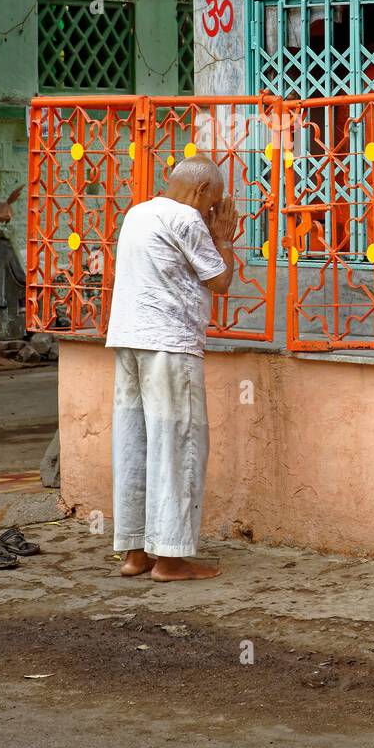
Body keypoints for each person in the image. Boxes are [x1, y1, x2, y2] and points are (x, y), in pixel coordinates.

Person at [106, 156, 237, 582]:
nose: (213, 211)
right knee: (179, 445)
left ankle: (135, 553)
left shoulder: (138, 212)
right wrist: (224, 239)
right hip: (169, 344)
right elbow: (219, 281)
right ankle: (171, 560)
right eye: (213, 202)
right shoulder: (186, 218)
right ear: (200, 192)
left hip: (128, 340)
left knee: (134, 446)